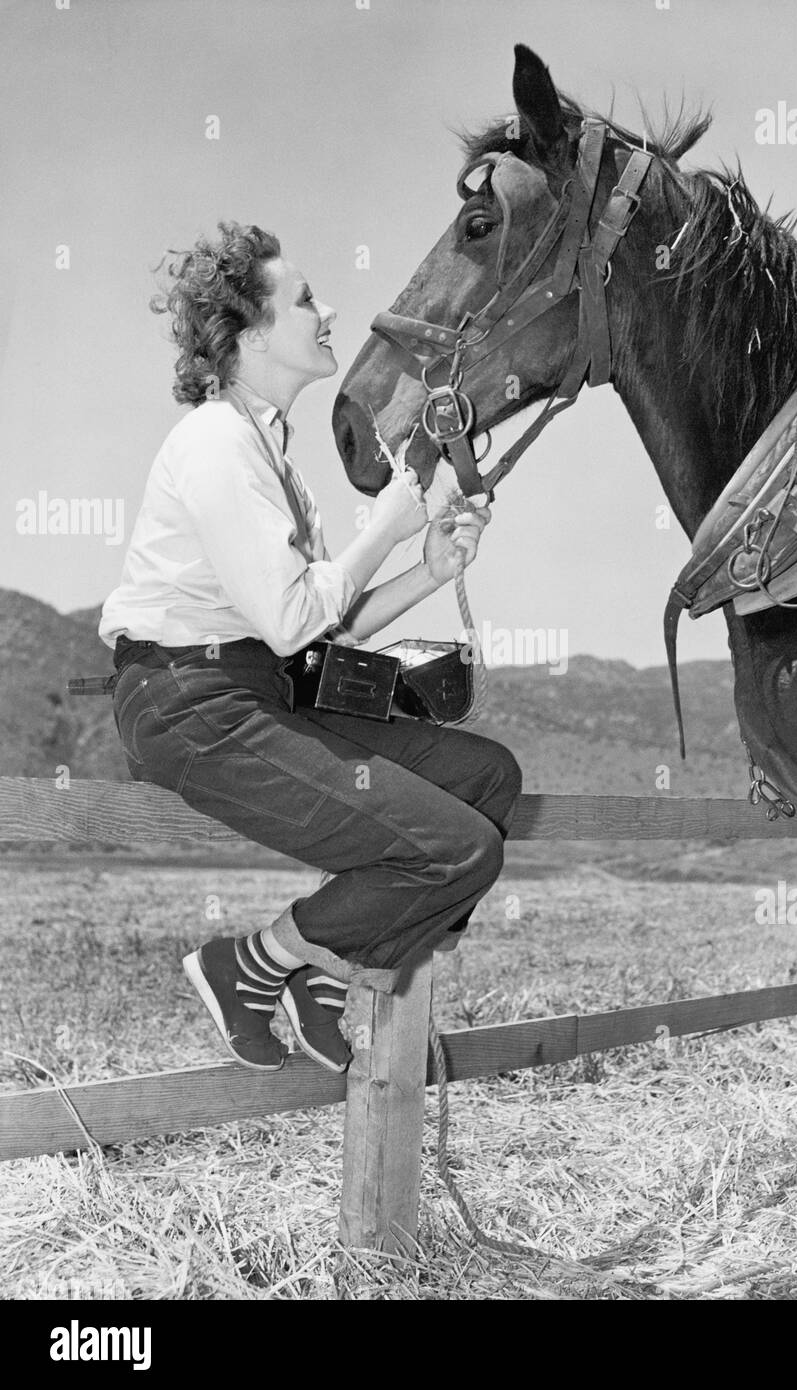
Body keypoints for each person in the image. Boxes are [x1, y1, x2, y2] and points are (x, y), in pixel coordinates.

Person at [99, 221, 522, 1075]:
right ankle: (253, 964)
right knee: (458, 848)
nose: (329, 310)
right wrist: (385, 526)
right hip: (188, 704)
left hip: (258, 690)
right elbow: (293, 618)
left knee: (489, 780)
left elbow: (318, 632)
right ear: (250, 333)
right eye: (304, 300)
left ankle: (318, 974)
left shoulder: (275, 460)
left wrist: (427, 567)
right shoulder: (217, 444)